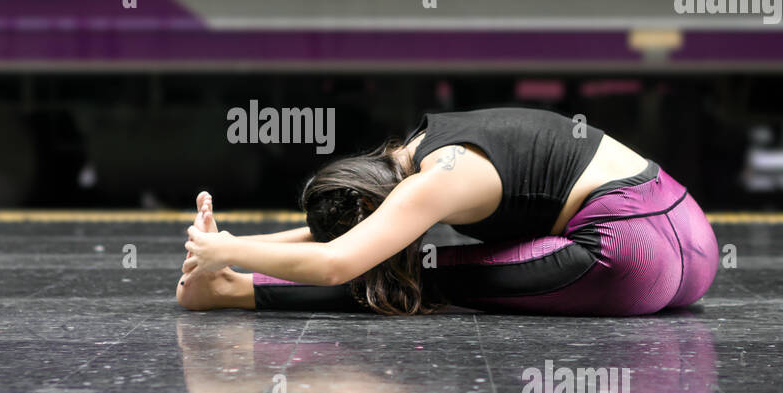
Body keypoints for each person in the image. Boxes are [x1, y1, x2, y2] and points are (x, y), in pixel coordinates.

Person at [178, 107, 718, 316]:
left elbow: (339, 262)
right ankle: (230, 280)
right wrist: (245, 241)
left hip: (632, 256)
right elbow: (353, 234)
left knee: (415, 273)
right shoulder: (424, 144)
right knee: (405, 252)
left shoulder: (430, 185)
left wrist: (223, 256)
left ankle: (227, 292)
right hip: (692, 237)